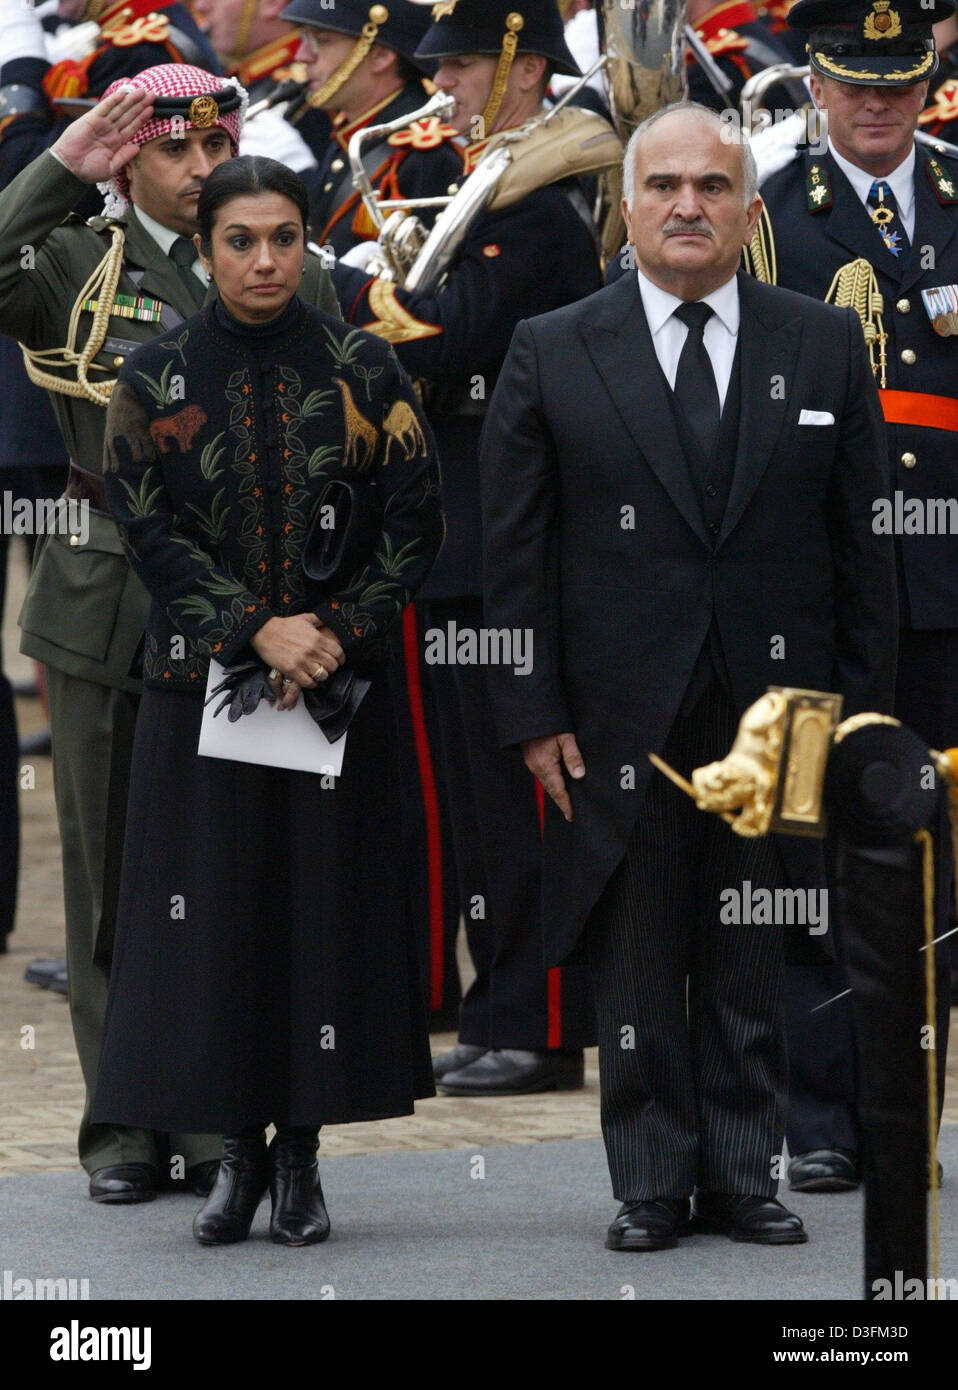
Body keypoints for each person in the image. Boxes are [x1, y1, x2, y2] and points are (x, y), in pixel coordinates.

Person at [480, 102, 898, 1251]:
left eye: (712, 188)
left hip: (780, 708)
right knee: (635, 953)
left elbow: (863, 550)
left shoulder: (817, 342)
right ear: (625, 206)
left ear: (748, 210)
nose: (686, 207)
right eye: (663, 185)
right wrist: (530, 713)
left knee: (752, 943)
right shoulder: (554, 346)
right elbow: (511, 559)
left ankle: (741, 1171)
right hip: (617, 711)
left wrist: (860, 720)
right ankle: (649, 1182)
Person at [0, 62, 340, 1205]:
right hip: (110, 595)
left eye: (214, 146)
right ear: (128, 157)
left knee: (235, 874)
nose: (200, 172)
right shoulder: (73, 261)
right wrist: (55, 169)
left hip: (255, 606)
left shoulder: (282, 257)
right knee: (112, 879)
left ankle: (220, 1121)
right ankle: (124, 1124)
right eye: (173, 151)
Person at [93, 153, 444, 1247]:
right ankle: (232, 1156)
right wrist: (255, 626)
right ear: (205, 252)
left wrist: (331, 632)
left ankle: (301, 1159)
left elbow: (416, 522)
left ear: (307, 243)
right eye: (240, 240)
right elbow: (146, 526)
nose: (263, 259)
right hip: (200, 689)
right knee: (215, 925)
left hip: (333, 692)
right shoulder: (154, 374)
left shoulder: (366, 366)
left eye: (284, 237)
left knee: (319, 921)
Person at [331, 0, 601, 1095]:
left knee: (516, 792)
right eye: (437, 63)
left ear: (526, 67)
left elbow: (454, 335)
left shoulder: (533, 205)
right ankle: (488, 1003)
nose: (441, 84)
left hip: (510, 537)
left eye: (462, 64)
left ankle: (541, 1020)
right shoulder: (476, 184)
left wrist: (345, 286)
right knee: (455, 796)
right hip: (447, 533)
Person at [758, 0, 958, 1193]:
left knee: (929, 856)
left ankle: (904, 1108)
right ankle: (820, 1111)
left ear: (929, 79)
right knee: (809, 842)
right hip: (813, 584)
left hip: (944, 586)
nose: (875, 104)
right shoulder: (765, 210)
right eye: (852, 81)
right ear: (815, 83)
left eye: (897, 81)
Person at [284, 0, 463, 258]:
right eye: (304, 39)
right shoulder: (353, 131)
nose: (302, 55)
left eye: (322, 41)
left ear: (380, 56)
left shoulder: (425, 153)